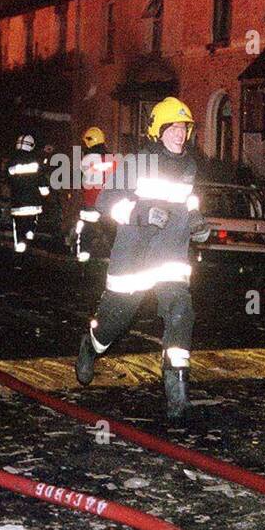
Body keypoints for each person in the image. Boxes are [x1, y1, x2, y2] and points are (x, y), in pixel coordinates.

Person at [74, 97, 210, 420]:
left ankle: (177, 385)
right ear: (157, 130)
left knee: (181, 313)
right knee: (114, 323)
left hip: (170, 256)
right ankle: (91, 346)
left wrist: (196, 220)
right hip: (132, 259)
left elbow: (188, 201)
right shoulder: (136, 164)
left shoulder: (189, 167)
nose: (180, 134)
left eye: (184, 128)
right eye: (173, 128)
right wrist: (141, 212)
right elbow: (106, 202)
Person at [73, 126, 114, 262]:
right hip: (110, 206)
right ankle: (115, 261)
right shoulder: (113, 159)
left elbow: (78, 181)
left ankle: (83, 261)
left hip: (91, 205)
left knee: (86, 234)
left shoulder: (86, 161)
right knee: (113, 235)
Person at [6, 134, 46, 252]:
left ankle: (20, 250)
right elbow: (42, 180)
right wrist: (45, 191)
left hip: (18, 204)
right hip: (33, 203)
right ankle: (29, 235)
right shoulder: (35, 161)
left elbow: (6, 180)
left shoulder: (11, 162)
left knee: (19, 228)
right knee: (31, 224)